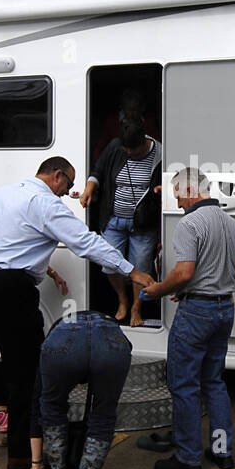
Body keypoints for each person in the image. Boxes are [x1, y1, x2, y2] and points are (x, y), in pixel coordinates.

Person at [0, 157, 154, 468]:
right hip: (12, 289)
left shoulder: (3, 193)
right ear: (57, 176)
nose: (65, 193)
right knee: (26, 373)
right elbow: (86, 242)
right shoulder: (45, 204)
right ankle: (21, 453)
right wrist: (131, 271)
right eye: (68, 186)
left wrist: (47, 269)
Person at [142, 167, 235, 469]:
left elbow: (185, 272)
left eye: (178, 197)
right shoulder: (231, 223)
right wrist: (187, 289)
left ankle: (188, 458)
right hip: (224, 309)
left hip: (197, 313)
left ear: (188, 190)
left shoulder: (190, 224)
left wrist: (159, 289)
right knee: (213, 382)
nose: (179, 204)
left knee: (184, 385)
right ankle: (222, 451)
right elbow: (234, 270)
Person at [28, 310, 133, 469]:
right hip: (111, 341)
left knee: (51, 405)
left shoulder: (55, 336)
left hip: (64, 345)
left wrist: (36, 464)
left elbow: (38, 407)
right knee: (104, 413)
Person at [78, 121, 161, 326]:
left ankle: (136, 307)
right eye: (127, 150)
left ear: (145, 140)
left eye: (136, 150)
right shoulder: (116, 147)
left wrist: (160, 188)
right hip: (113, 218)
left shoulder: (160, 152)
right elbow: (98, 171)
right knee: (109, 263)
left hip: (143, 222)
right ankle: (122, 300)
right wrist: (89, 188)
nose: (131, 153)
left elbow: (167, 180)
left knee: (140, 268)